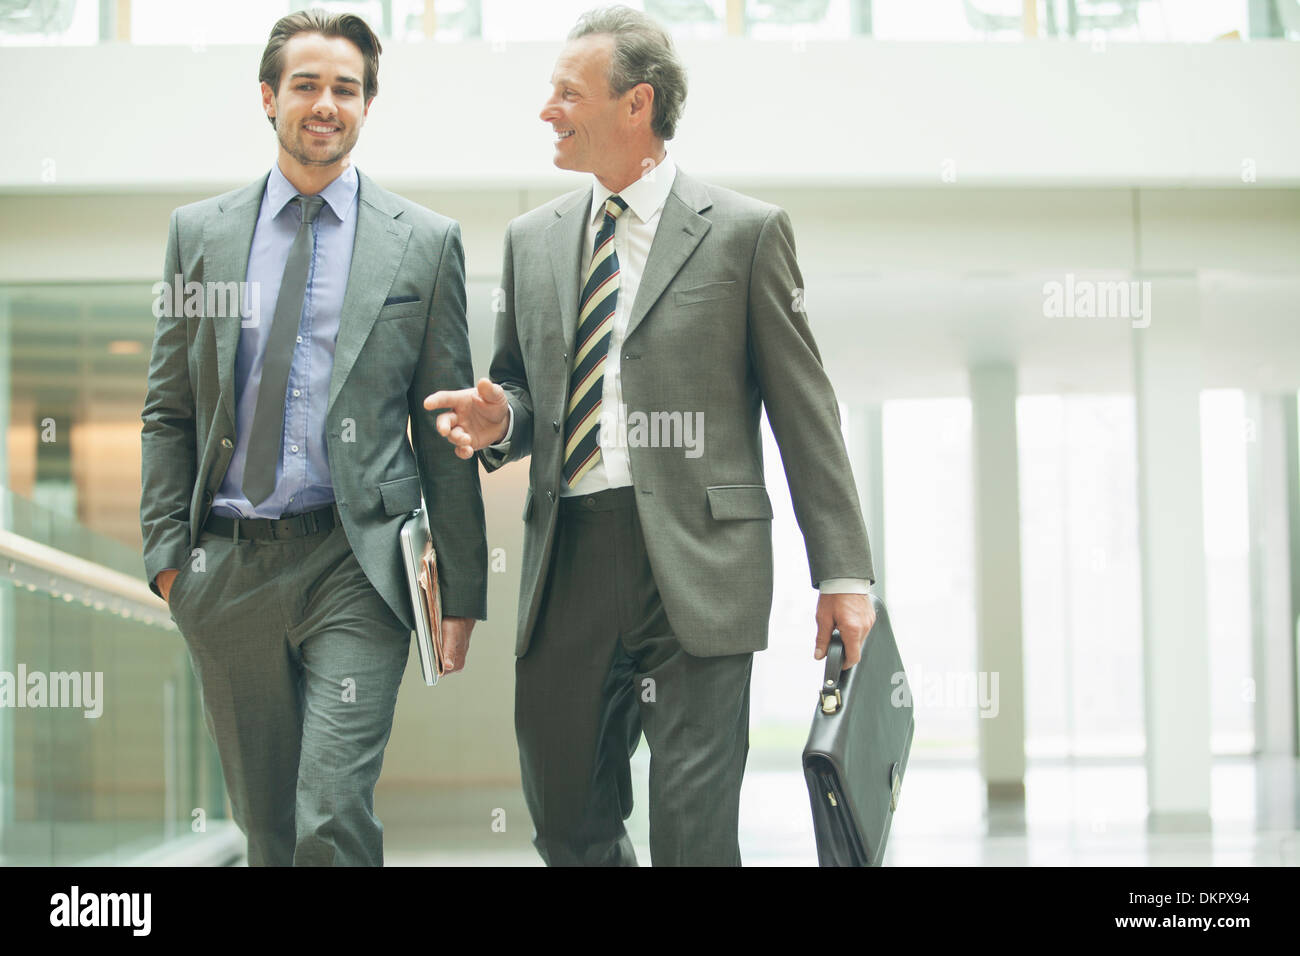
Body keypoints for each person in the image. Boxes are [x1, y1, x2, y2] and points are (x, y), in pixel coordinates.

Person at [425, 5, 874, 866]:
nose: (546, 109)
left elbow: (805, 415)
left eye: (567, 92)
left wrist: (845, 575)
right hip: (571, 560)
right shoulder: (533, 241)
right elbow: (523, 388)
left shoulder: (745, 233)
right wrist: (502, 420)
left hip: (701, 567)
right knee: (566, 821)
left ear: (637, 104)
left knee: (691, 834)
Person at [139, 9, 486, 866]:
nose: (325, 103)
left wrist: (465, 588)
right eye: (307, 85)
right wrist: (167, 558)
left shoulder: (425, 245)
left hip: (356, 562)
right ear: (268, 96)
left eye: (346, 88)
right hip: (227, 565)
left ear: (367, 106)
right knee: (268, 829)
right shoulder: (202, 235)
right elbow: (169, 407)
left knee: (330, 812)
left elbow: (446, 428)